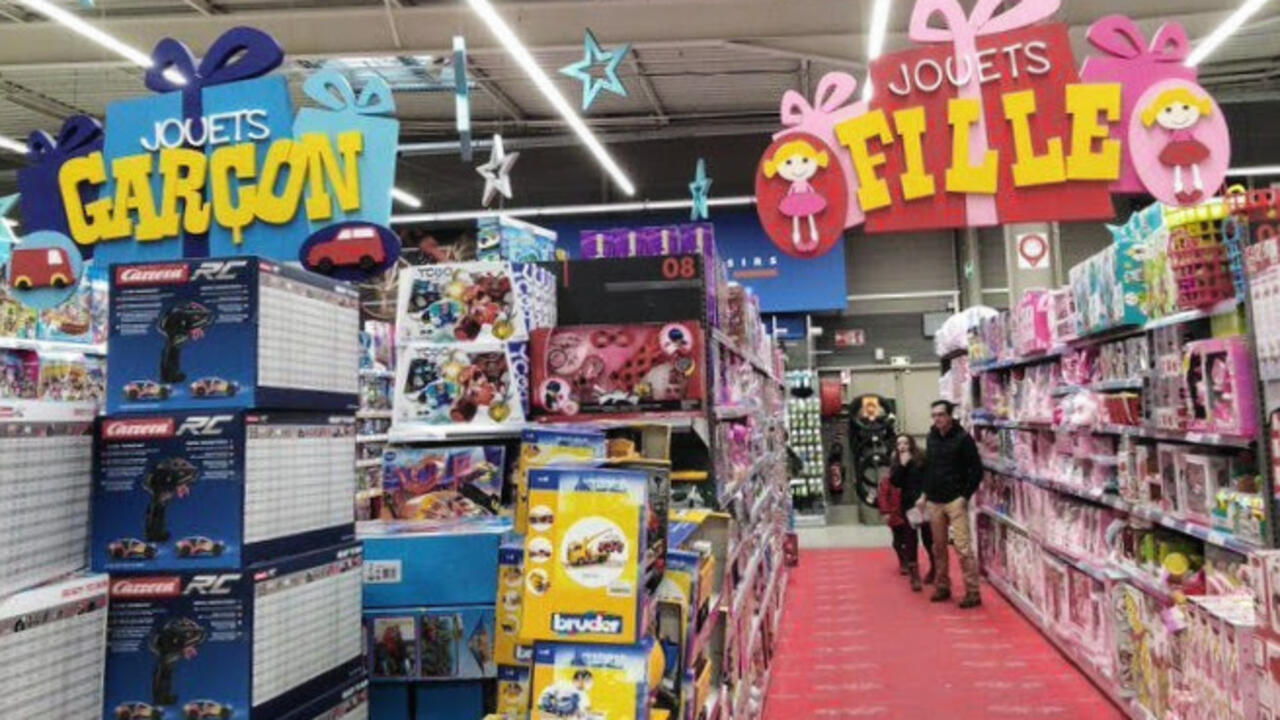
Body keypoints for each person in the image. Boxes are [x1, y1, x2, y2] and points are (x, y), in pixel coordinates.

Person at [923, 399, 984, 608]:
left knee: (963, 547)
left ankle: (973, 592)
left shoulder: (963, 439)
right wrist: (925, 494)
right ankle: (942, 586)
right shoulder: (931, 438)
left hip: (955, 501)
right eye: (934, 415)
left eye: (940, 415)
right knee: (938, 548)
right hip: (934, 501)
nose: (937, 419)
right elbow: (928, 467)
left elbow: (976, 470)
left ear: (950, 416)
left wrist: (964, 496)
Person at [889, 433, 935, 592]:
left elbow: (929, 478)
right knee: (910, 539)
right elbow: (895, 482)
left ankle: (934, 568)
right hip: (908, 506)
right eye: (899, 444)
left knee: (928, 538)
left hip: (924, 503)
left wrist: (924, 496)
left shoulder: (921, 458)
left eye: (905, 443)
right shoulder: (897, 462)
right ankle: (914, 575)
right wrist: (902, 465)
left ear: (911, 444)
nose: (902, 446)